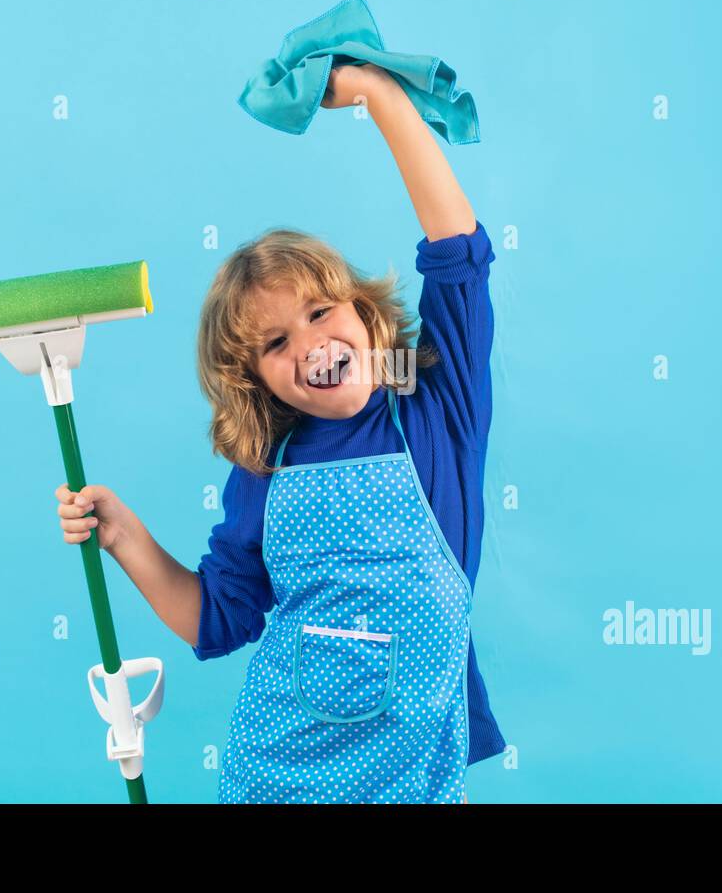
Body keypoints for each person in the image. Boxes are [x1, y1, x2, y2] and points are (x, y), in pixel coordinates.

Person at [55, 63, 503, 802]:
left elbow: (459, 252)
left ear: (364, 312)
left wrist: (381, 100)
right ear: (256, 381)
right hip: (279, 776)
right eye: (275, 344)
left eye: (322, 312)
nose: (310, 345)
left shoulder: (432, 404)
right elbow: (218, 617)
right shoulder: (269, 465)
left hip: (413, 776)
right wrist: (124, 537)